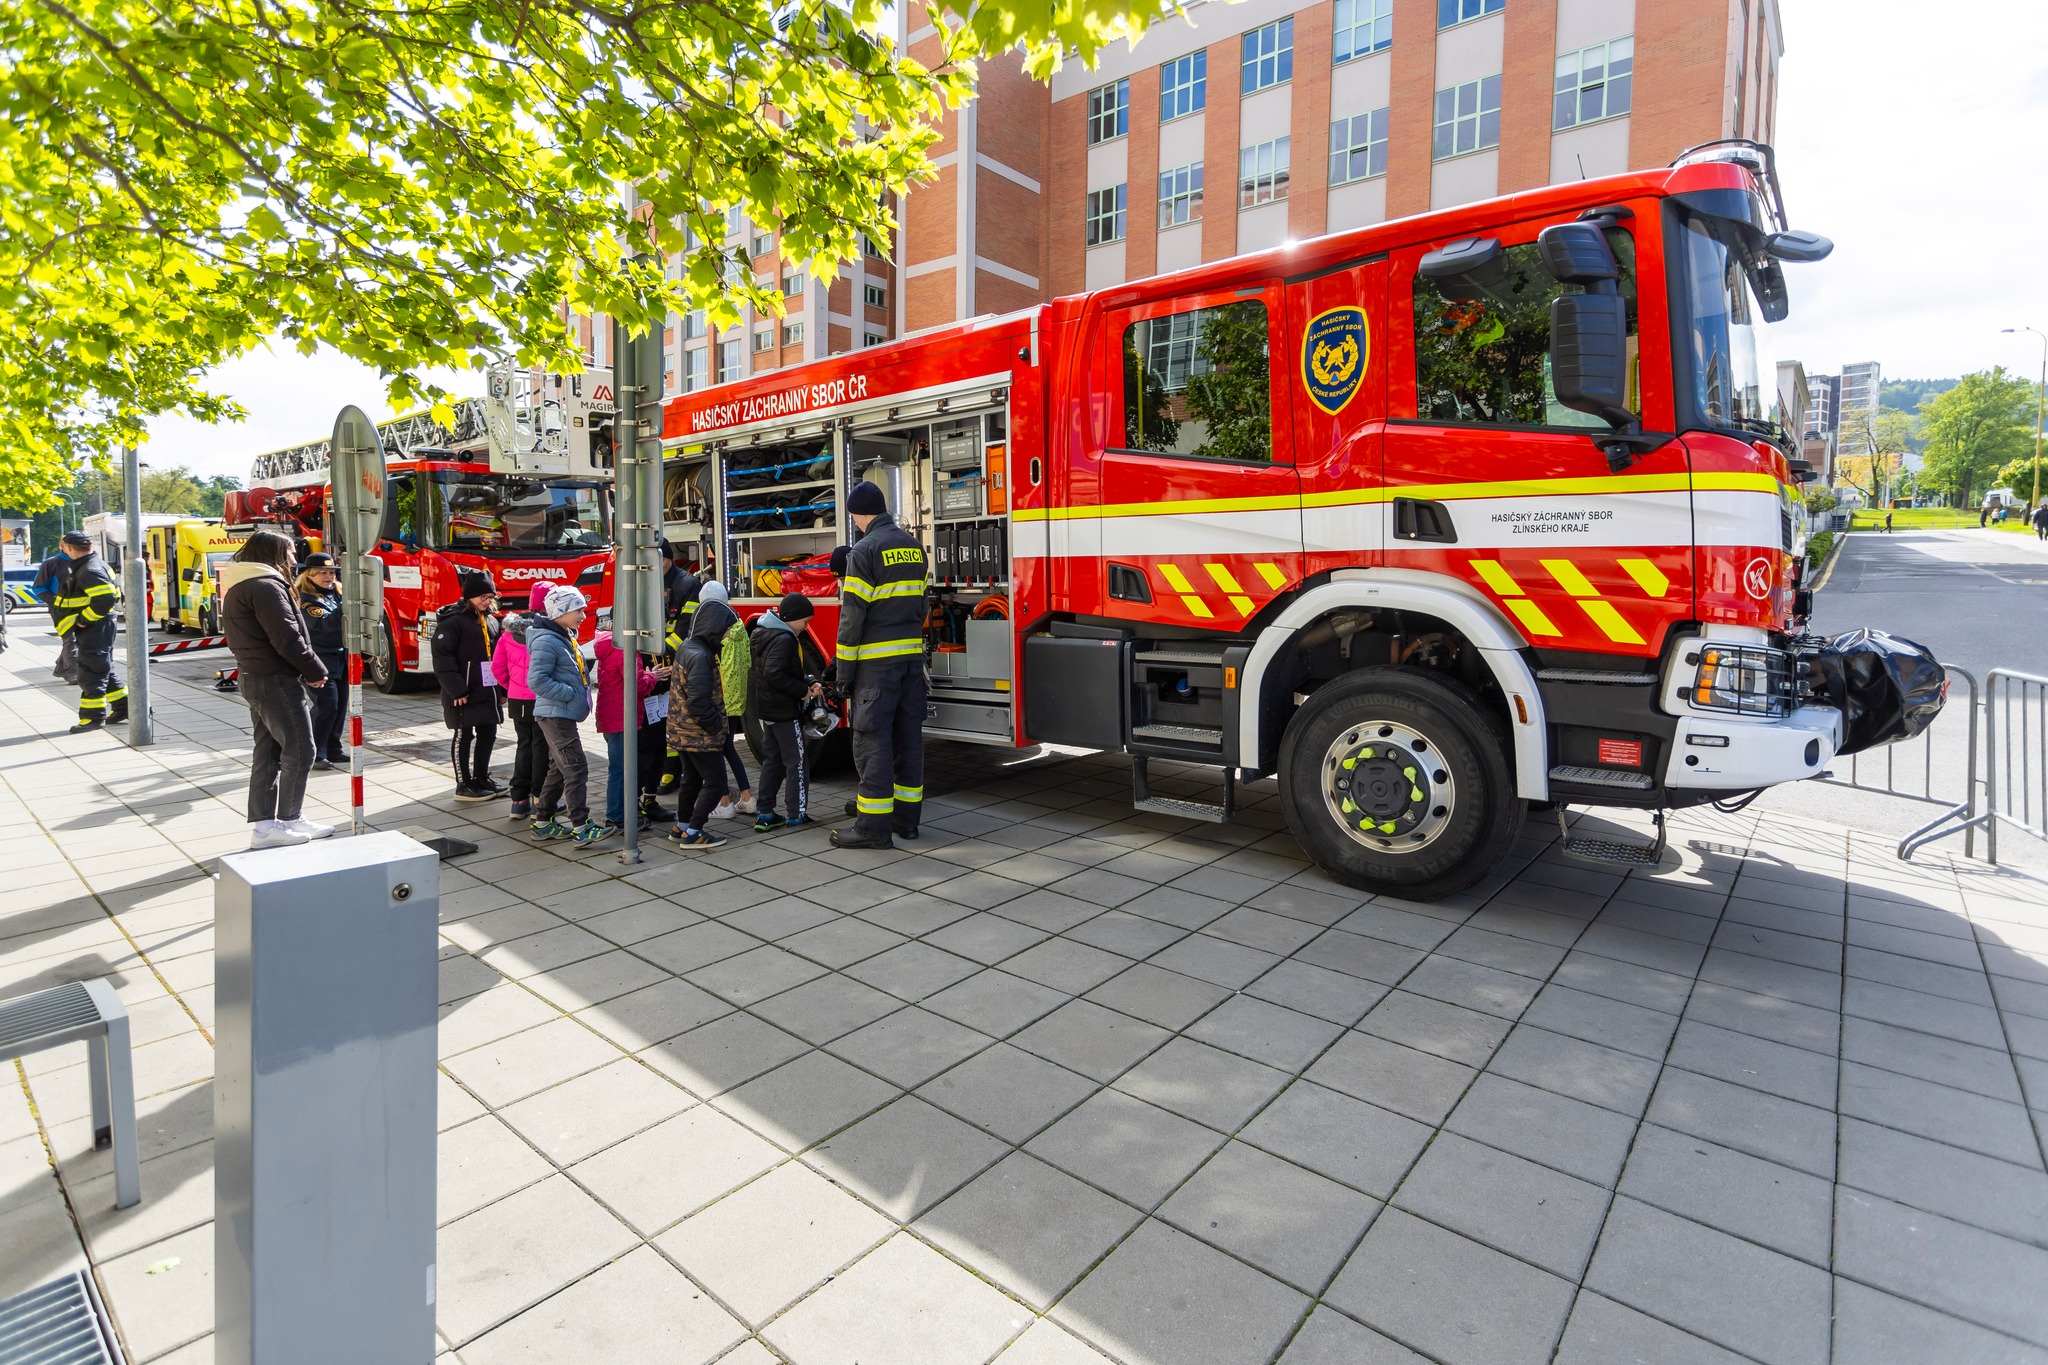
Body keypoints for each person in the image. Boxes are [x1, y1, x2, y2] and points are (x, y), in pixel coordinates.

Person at [220, 530, 333, 848]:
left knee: (268, 752)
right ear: (274, 555)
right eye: (290, 553)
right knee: (301, 749)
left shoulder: (245, 585)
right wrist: (315, 670)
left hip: (257, 678)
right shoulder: (266, 586)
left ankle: (266, 827)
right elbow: (286, 637)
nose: (295, 559)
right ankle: (288, 819)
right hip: (275, 681)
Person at [832, 481, 928, 850]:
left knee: (872, 742)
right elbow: (921, 606)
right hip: (910, 663)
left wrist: (844, 674)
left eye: (853, 516)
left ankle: (872, 828)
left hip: (876, 667)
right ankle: (907, 821)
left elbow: (852, 617)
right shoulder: (914, 548)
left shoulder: (865, 550)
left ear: (860, 513)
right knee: (908, 740)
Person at [526, 585, 608, 844]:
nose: (583, 616)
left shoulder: (563, 635)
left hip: (559, 714)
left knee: (560, 769)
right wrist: (570, 693)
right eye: (578, 610)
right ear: (560, 611)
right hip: (555, 715)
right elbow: (537, 680)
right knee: (576, 768)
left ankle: (543, 822)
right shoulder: (548, 640)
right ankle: (582, 826)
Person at [667, 590, 740, 849]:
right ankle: (695, 831)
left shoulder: (689, 648)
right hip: (699, 734)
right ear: (714, 627)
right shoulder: (700, 656)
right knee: (716, 782)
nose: (729, 634)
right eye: (727, 629)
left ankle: (682, 826)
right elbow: (699, 702)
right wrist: (717, 727)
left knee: (692, 780)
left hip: (682, 731)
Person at [433, 568, 505, 800]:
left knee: (488, 732)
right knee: (463, 735)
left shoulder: (491, 622)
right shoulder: (453, 622)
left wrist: (501, 689)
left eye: (490, 597)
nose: (487, 601)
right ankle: (463, 784)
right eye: (482, 597)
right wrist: (456, 689)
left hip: (486, 688)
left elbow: (498, 657)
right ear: (469, 596)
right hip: (462, 691)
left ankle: (481, 778)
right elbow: (442, 658)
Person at [750, 593, 820, 831]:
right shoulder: (785, 639)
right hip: (784, 712)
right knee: (797, 762)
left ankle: (766, 813)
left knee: (773, 762)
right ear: (793, 618)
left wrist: (808, 680)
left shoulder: (766, 634)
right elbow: (775, 674)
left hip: (769, 711)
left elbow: (779, 670)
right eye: (805, 621)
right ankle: (796, 814)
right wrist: (802, 690)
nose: (805, 626)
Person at [595, 630, 671, 830]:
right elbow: (636, 685)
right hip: (621, 716)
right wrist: (652, 676)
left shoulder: (613, 646)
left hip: (613, 714)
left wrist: (646, 674)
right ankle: (617, 817)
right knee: (621, 770)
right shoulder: (626, 651)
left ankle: (619, 814)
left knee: (619, 768)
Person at [51, 532, 127, 734]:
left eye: (63, 547)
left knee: (90, 672)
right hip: (99, 626)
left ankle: (92, 718)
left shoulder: (89, 569)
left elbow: (105, 599)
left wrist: (84, 619)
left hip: (95, 627)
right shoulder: (94, 564)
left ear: (68, 548)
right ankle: (124, 707)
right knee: (103, 668)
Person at [695, 580, 755, 819]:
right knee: (728, 748)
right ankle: (747, 798)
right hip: (736, 699)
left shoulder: (721, 632)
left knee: (718, 750)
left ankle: (725, 802)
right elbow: (747, 664)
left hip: (720, 700)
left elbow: (714, 667)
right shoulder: (741, 626)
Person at [492, 583, 552, 819]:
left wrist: (512, 687)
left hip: (518, 699)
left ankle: (518, 801)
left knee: (523, 745)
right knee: (542, 748)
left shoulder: (509, 634)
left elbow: (497, 667)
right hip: (542, 698)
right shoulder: (548, 631)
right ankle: (539, 801)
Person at [296, 552, 348, 768]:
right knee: (327, 705)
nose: (329, 577)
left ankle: (333, 748)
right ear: (309, 576)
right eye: (323, 573)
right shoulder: (306, 600)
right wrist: (348, 605)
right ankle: (315, 752)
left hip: (341, 658)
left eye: (332, 572)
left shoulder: (335, 593)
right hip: (319, 660)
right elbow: (324, 626)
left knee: (341, 705)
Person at [32, 550, 77, 683]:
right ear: (63, 546)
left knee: (78, 639)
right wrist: (56, 602)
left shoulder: (84, 561)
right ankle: (72, 672)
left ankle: (62, 668)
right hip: (61, 610)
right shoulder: (52, 563)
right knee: (71, 638)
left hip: (82, 607)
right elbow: (38, 587)